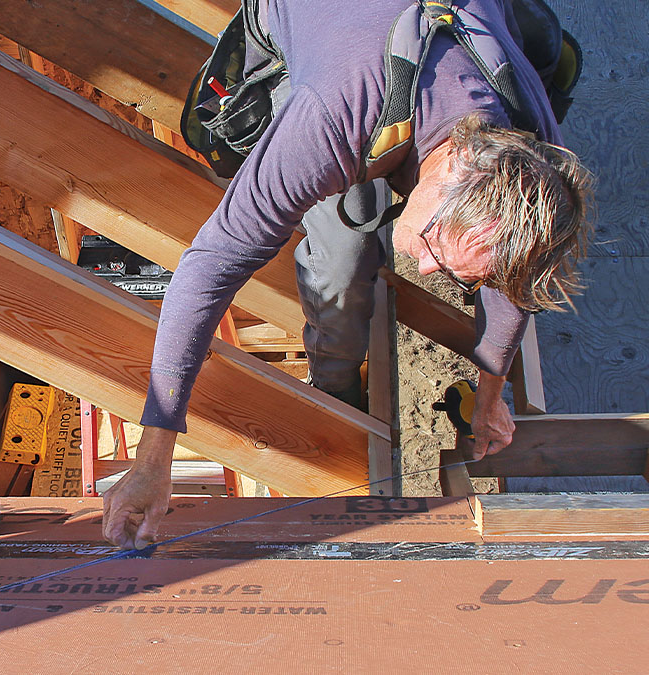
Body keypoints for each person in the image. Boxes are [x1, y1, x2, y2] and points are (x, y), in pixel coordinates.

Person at [102, 0, 594, 549]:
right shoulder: (333, 116)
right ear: (453, 169)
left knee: (549, 48)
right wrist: (154, 454)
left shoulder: (530, 144)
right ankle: (335, 384)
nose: (425, 269)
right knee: (343, 258)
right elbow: (212, 264)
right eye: (434, 245)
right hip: (330, 34)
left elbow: (512, 288)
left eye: (461, 273)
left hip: (426, 38)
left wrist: (490, 396)